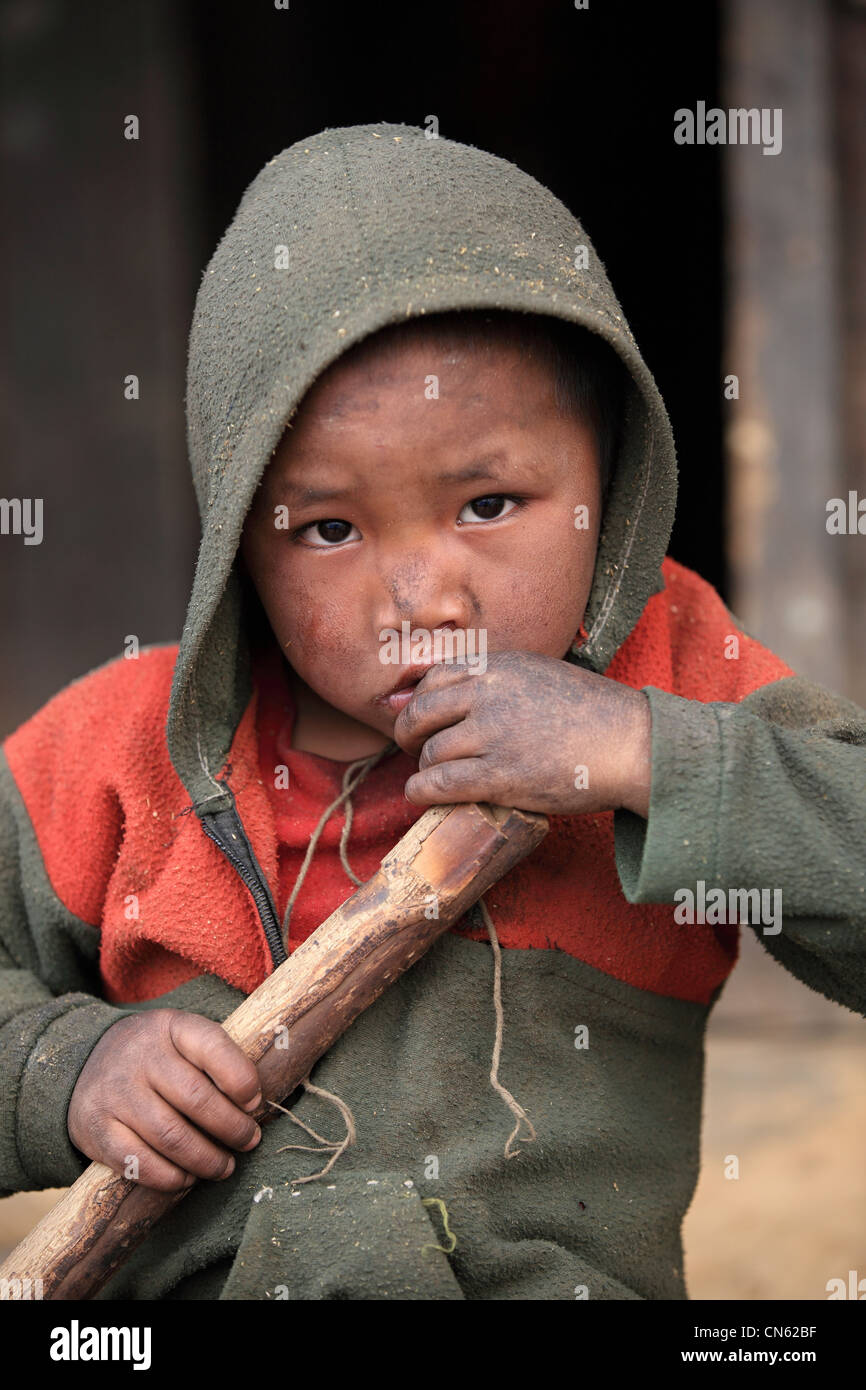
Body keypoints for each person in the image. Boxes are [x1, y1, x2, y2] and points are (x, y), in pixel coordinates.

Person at [1, 123, 863, 1301]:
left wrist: (644, 755)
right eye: (329, 530)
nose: (422, 598)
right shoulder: (113, 755)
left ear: (605, 478)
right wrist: (64, 1067)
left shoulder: (672, 680)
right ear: (237, 550)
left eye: (490, 502)